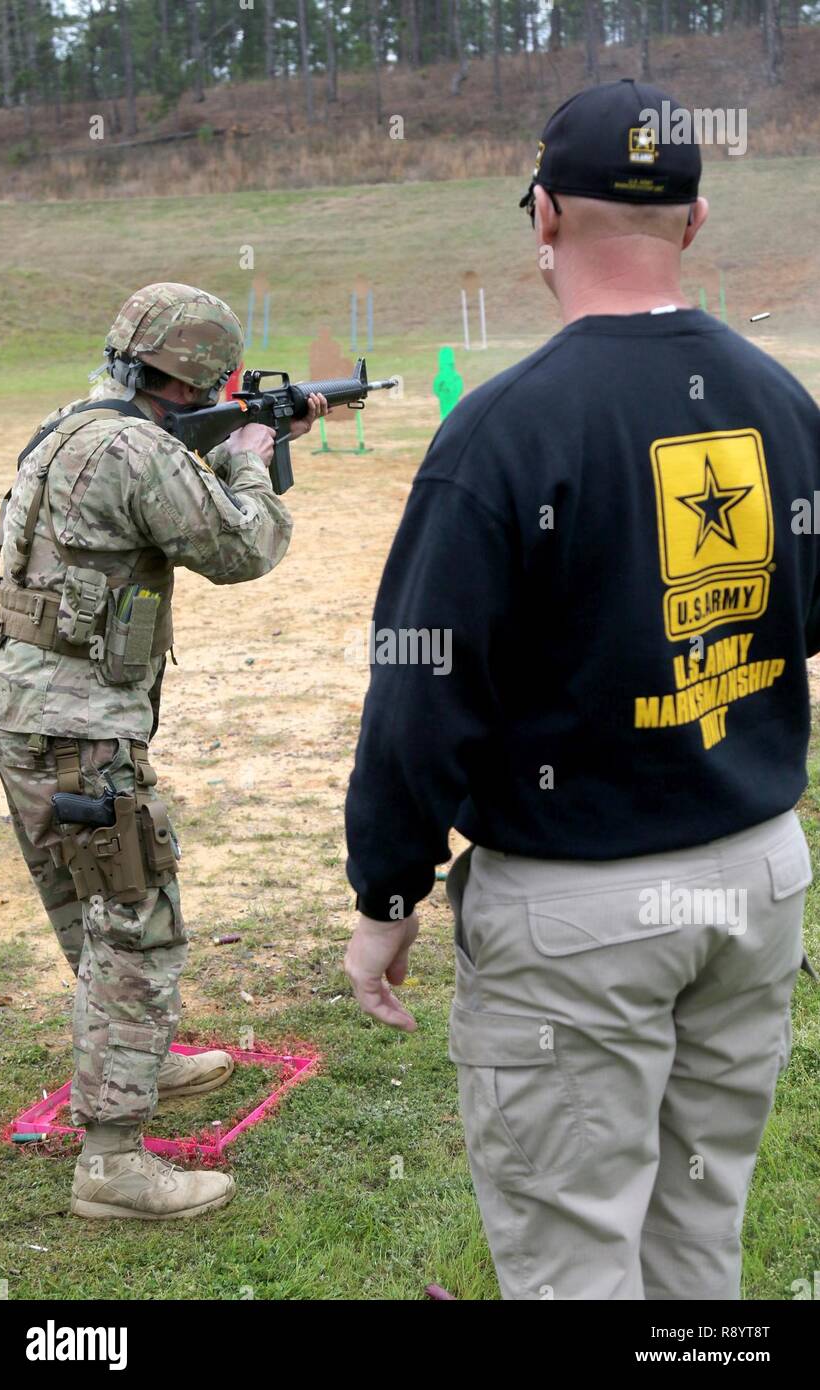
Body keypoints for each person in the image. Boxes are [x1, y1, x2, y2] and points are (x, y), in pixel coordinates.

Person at [343, 81, 820, 1299]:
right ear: (696, 223)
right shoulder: (782, 405)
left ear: (543, 214)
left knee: (574, 1263)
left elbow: (420, 690)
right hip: (756, 876)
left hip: (581, 912)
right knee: (694, 1248)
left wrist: (388, 888)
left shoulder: (502, 430)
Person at [0, 282, 327, 1220]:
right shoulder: (138, 450)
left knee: (91, 912)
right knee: (137, 922)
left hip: (22, 714)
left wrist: (239, 438)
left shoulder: (70, 427)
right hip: (84, 730)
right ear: (198, 376)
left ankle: (141, 1062)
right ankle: (113, 1163)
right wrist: (255, 457)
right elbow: (243, 546)